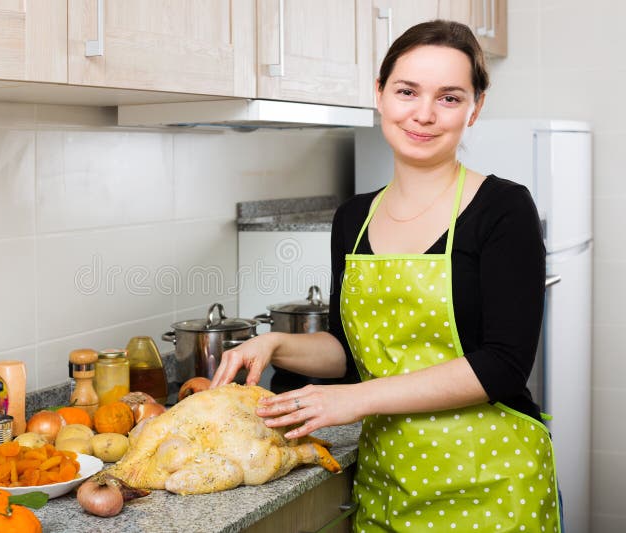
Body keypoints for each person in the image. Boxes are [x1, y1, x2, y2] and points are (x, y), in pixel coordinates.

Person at [211, 19, 561, 532]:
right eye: (406, 91)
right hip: (388, 481)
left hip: (494, 483)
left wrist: (352, 400)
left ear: (475, 108)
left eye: (448, 97)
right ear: (379, 95)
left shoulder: (503, 208)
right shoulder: (353, 219)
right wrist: (274, 346)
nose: (423, 113)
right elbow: (349, 352)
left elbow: (503, 365)